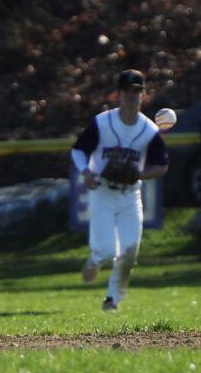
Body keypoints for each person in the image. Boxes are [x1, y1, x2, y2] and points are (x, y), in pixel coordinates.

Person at [71, 69, 169, 311]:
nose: (131, 96)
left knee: (129, 251)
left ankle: (112, 299)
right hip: (103, 191)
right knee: (106, 251)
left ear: (143, 94)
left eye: (136, 91)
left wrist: (139, 174)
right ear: (118, 94)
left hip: (130, 195)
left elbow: (161, 166)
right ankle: (94, 261)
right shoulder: (103, 122)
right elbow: (78, 150)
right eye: (127, 91)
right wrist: (86, 172)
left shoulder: (148, 130)